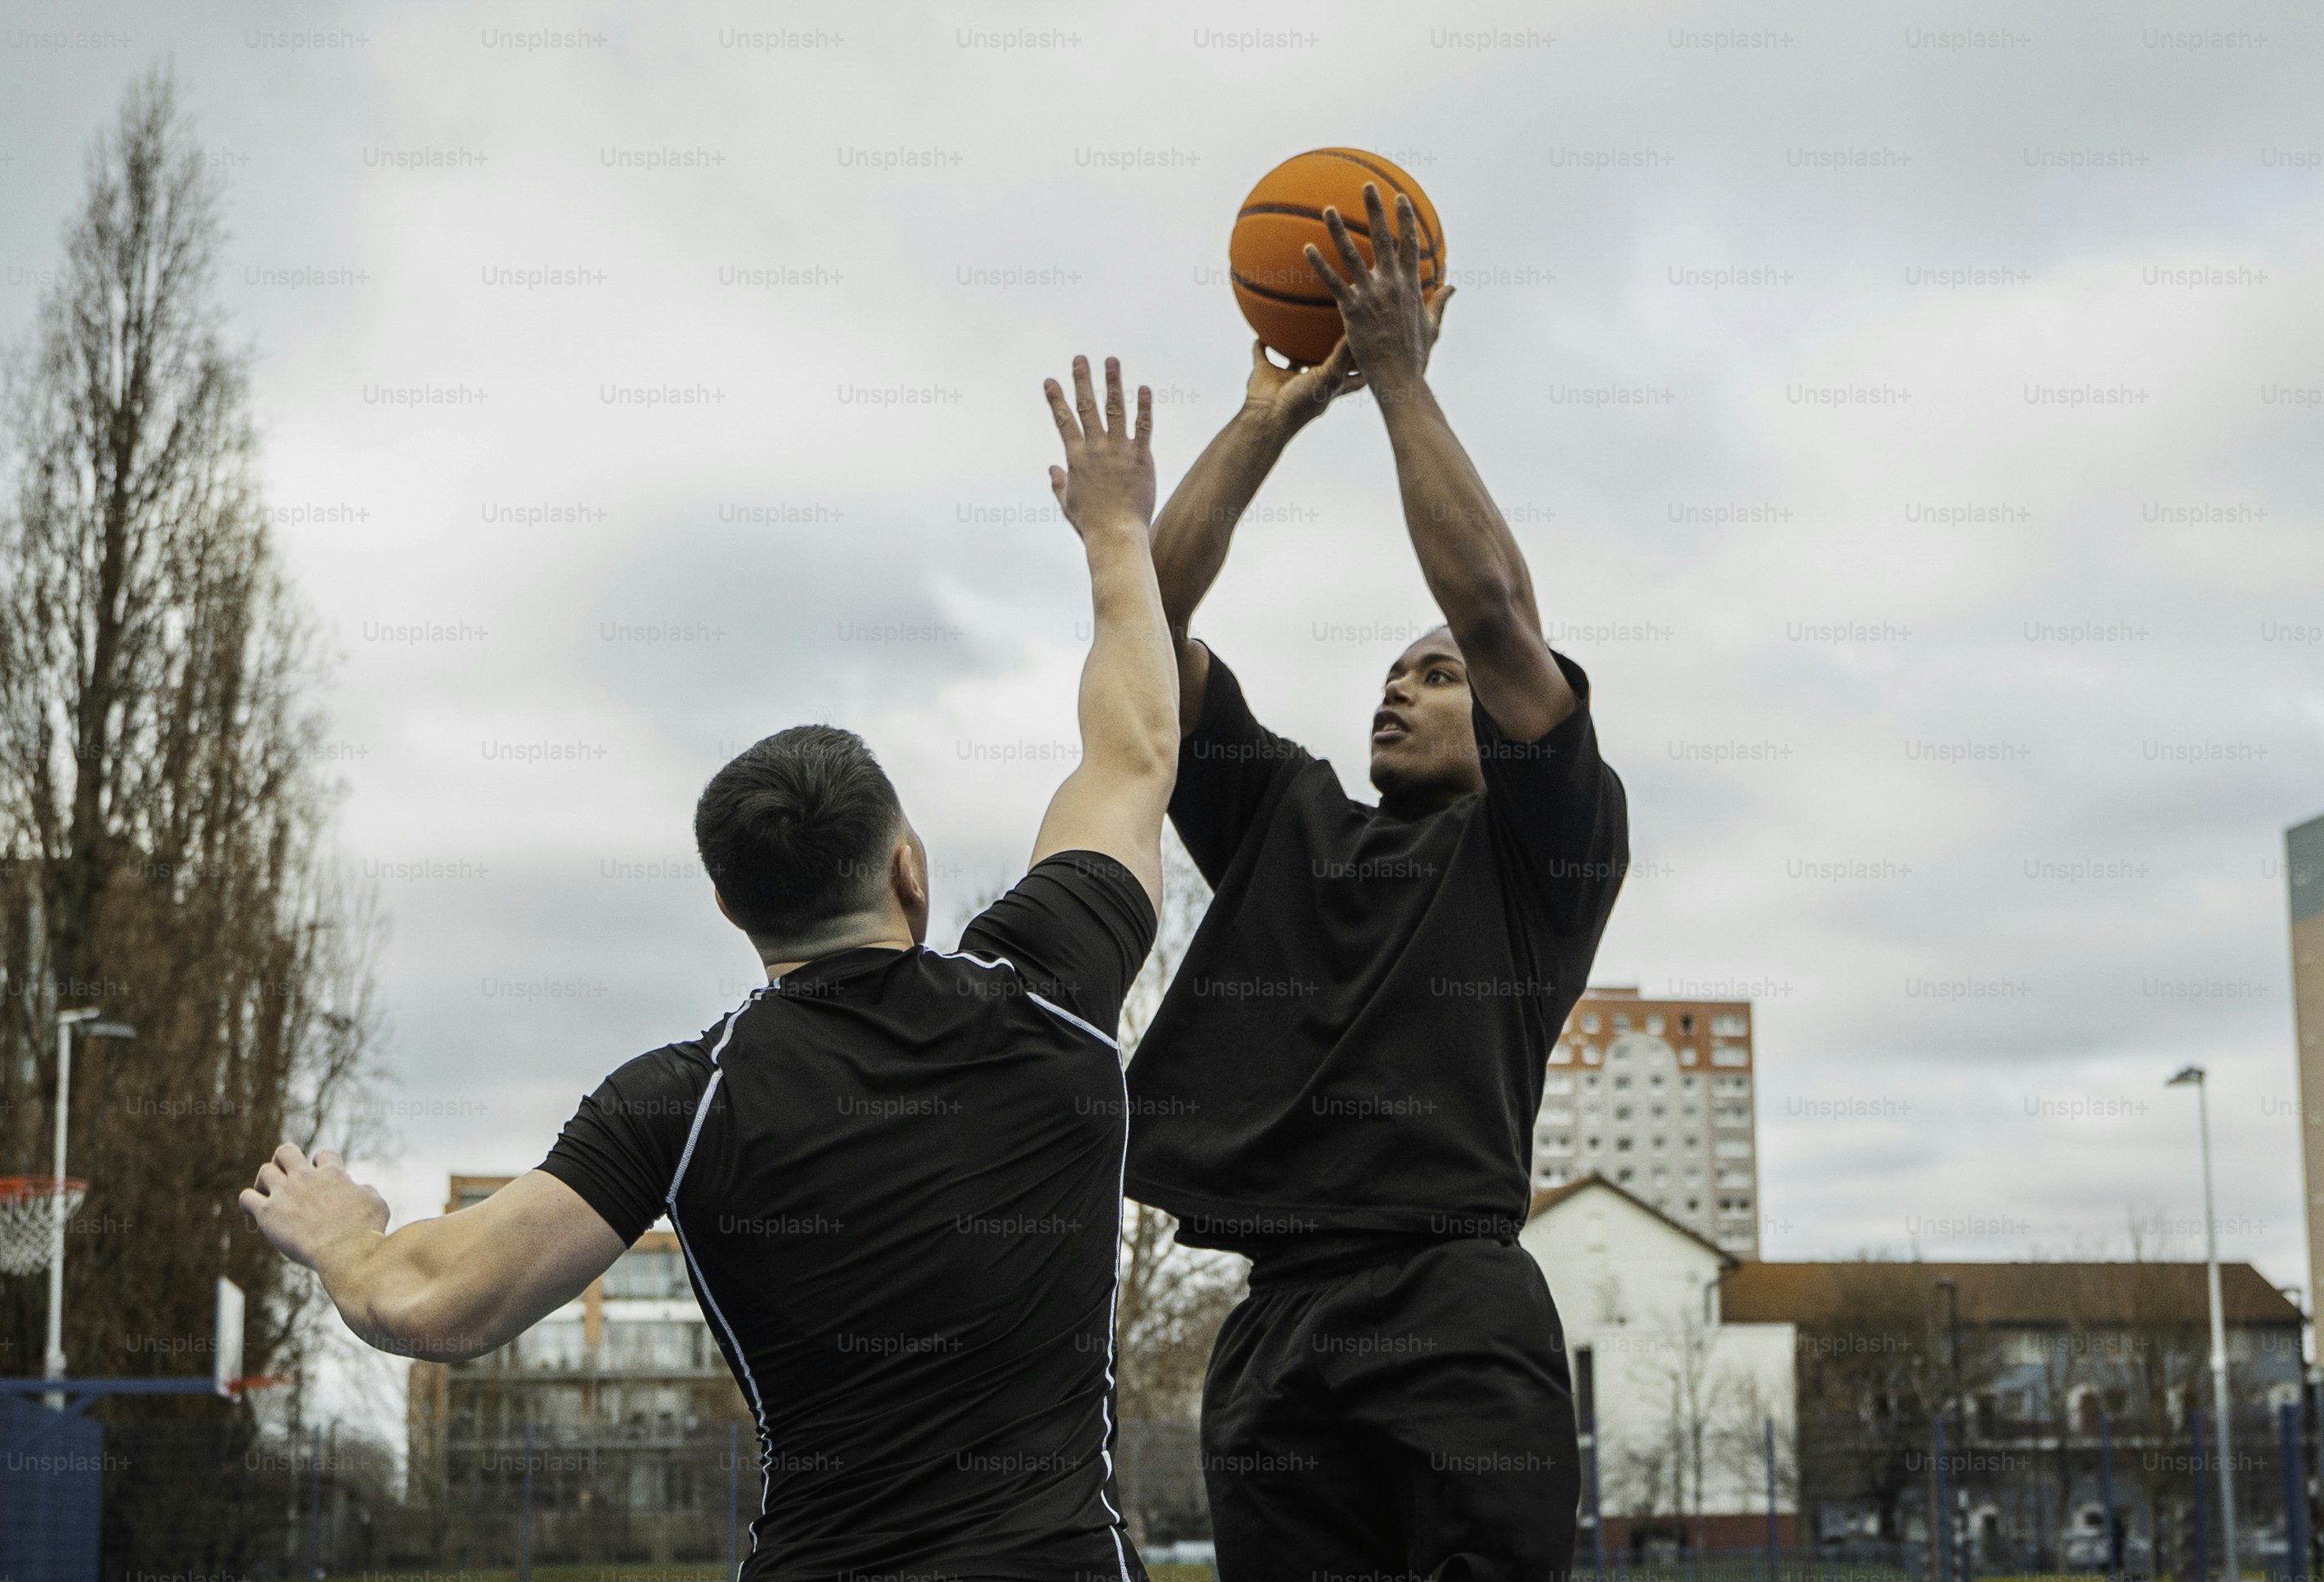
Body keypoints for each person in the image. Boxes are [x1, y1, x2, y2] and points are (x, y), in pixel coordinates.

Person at [241, 357, 1179, 1582]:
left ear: (733, 908)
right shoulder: (1047, 990)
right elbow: (1135, 747)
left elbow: (432, 1306)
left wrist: (347, 1233)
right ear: (911, 869)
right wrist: (1115, 529)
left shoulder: (682, 1103)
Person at [1121, 188, 1632, 1581]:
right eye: (1390, 673)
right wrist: (1266, 424)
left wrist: (1399, 377)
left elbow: (1493, 609)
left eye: (1436, 675)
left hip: (1452, 1310)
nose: (1402, 689)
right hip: (1276, 1322)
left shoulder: (1542, 849)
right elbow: (1146, 623)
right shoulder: (1291, 819)